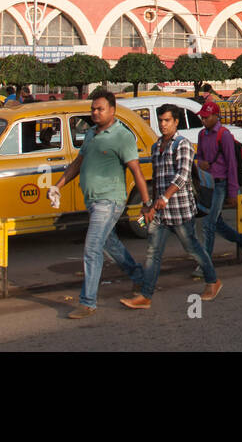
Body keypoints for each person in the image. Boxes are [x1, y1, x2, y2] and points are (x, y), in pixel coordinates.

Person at [50, 88, 152, 319]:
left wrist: (147, 203)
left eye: (100, 109)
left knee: (92, 247)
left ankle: (87, 302)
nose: (95, 113)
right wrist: (58, 186)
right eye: (93, 109)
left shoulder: (122, 136)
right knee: (110, 244)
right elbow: (78, 163)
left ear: (112, 111)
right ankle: (138, 276)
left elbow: (136, 170)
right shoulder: (91, 134)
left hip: (110, 200)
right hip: (93, 200)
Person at [121, 105, 221, 308]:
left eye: (167, 120)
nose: (163, 125)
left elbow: (182, 175)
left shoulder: (182, 144)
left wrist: (165, 197)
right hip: (160, 213)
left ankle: (213, 280)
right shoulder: (156, 146)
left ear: (176, 122)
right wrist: (148, 204)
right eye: (161, 121)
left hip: (180, 210)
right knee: (153, 252)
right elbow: (157, 179)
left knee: (191, 247)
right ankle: (146, 296)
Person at [194, 100, 242, 272]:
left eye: (206, 117)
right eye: (202, 117)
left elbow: (232, 166)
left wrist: (233, 192)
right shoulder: (202, 135)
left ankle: (205, 263)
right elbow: (199, 157)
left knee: (208, 223)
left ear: (215, 116)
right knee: (216, 223)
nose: (203, 120)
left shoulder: (224, 135)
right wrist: (201, 163)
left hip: (221, 184)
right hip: (208, 185)